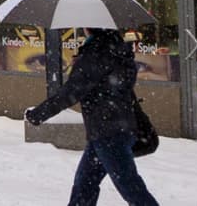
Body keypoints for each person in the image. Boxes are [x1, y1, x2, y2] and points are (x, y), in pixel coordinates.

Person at [24, 29, 160, 206]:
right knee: (85, 184)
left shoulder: (94, 53)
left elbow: (71, 92)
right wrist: (82, 64)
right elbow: (111, 86)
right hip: (115, 128)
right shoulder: (116, 50)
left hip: (108, 132)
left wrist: (38, 114)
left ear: (90, 28)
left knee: (129, 186)